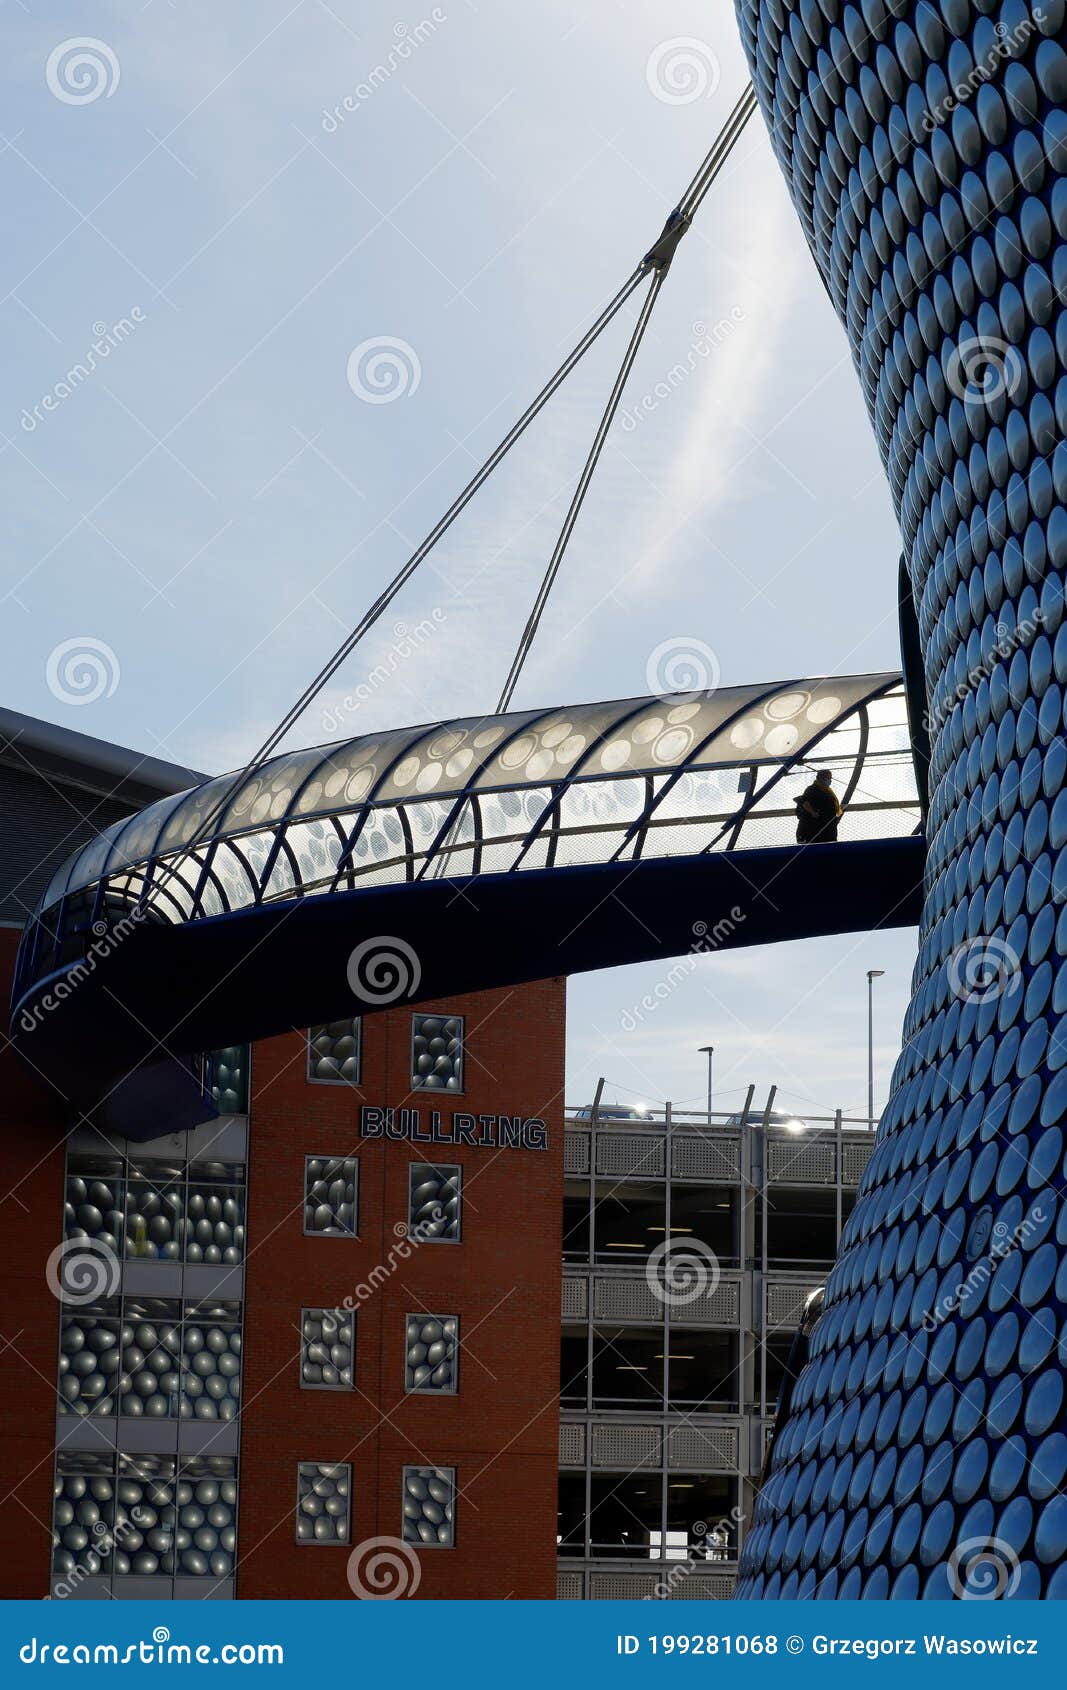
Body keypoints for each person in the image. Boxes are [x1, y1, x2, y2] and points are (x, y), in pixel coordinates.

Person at [795, 768, 841, 843]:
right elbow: (805, 802)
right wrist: (813, 813)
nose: (830, 780)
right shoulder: (812, 789)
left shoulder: (826, 790)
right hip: (816, 827)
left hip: (827, 826)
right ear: (821, 778)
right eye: (828, 778)